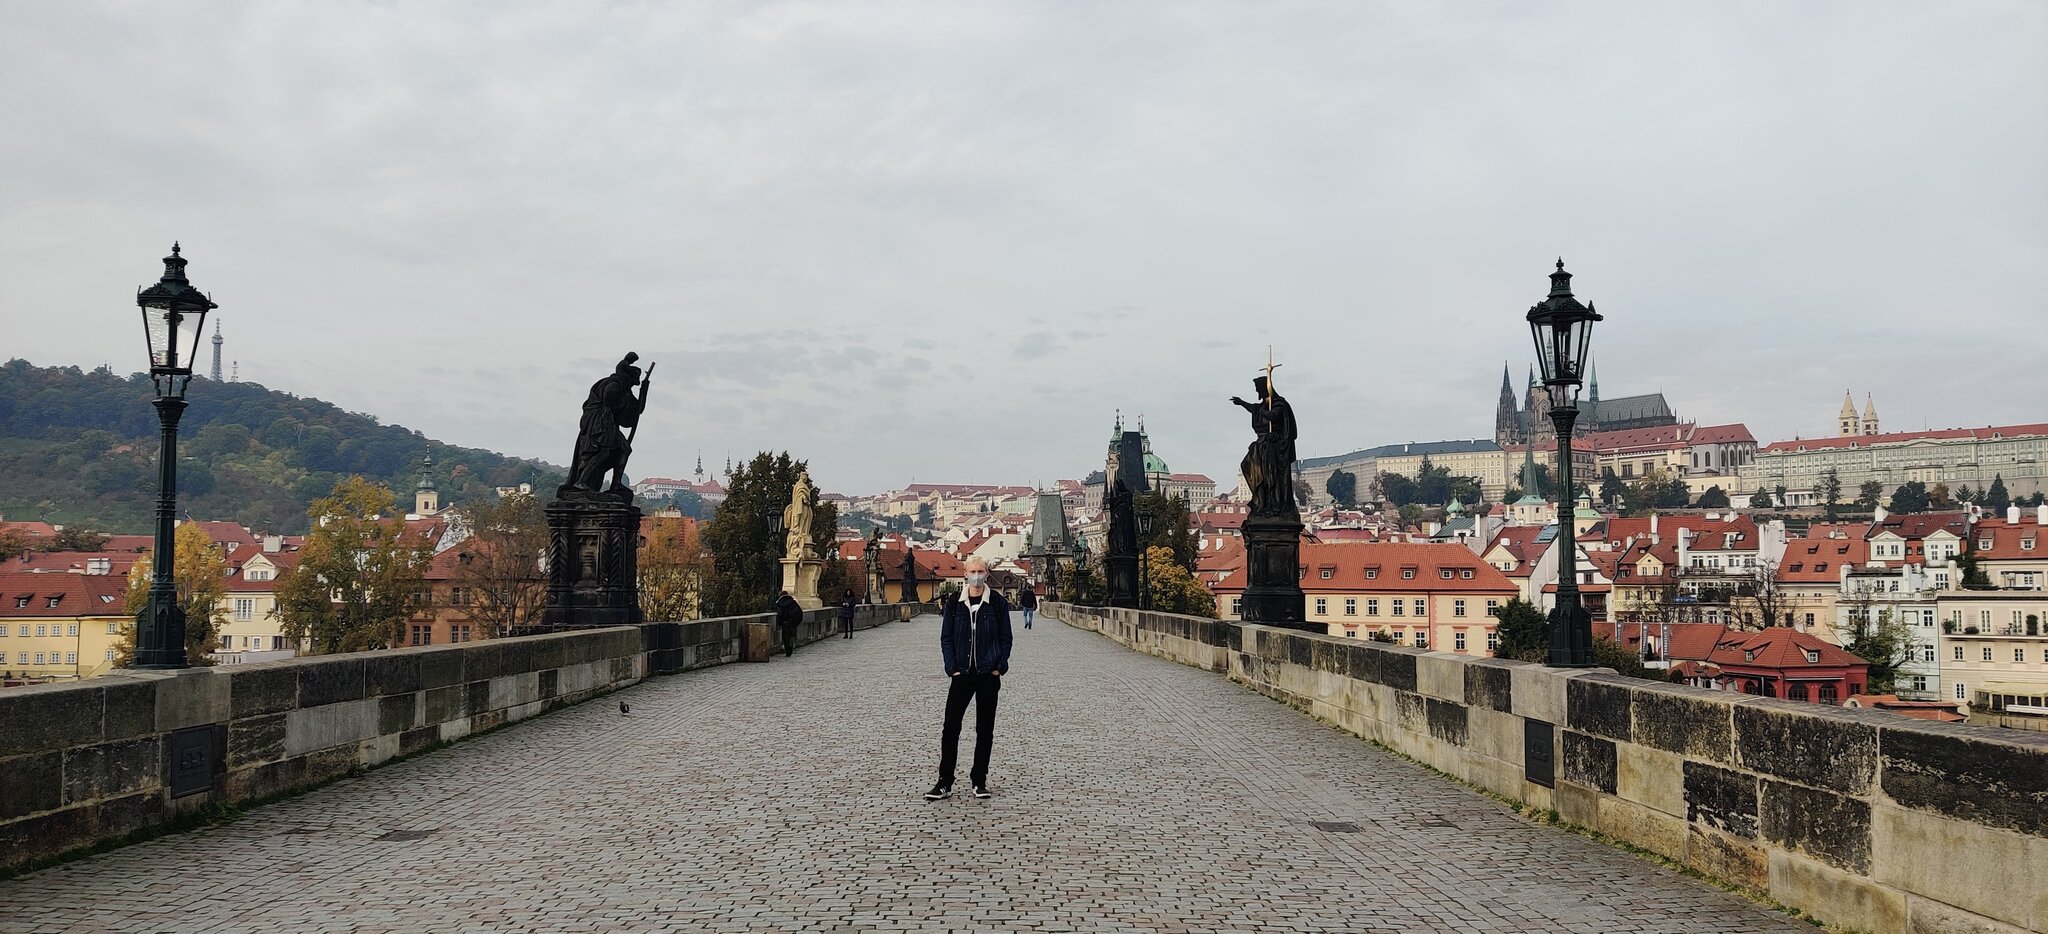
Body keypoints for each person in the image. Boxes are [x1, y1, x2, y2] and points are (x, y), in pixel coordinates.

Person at [926, 558, 1012, 801]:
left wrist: (999, 666)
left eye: (980, 571)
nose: (976, 575)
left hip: (987, 674)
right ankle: (944, 782)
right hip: (961, 673)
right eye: (973, 571)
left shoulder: (997, 603)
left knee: (985, 729)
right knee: (950, 728)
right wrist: (951, 667)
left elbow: (1006, 638)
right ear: (965, 574)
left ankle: (979, 780)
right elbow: (947, 638)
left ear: (987, 573)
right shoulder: (955, 603)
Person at [775, 591, 802, 657]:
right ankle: (791, 644)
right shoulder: (793, 602)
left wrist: (781, 622)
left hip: (785, 623)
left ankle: (787, 651)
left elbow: (780, 614)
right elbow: (799, 612)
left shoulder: (780, 603)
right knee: (792, 635)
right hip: (793, 623)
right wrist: (797, 622)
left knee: (785, 637)